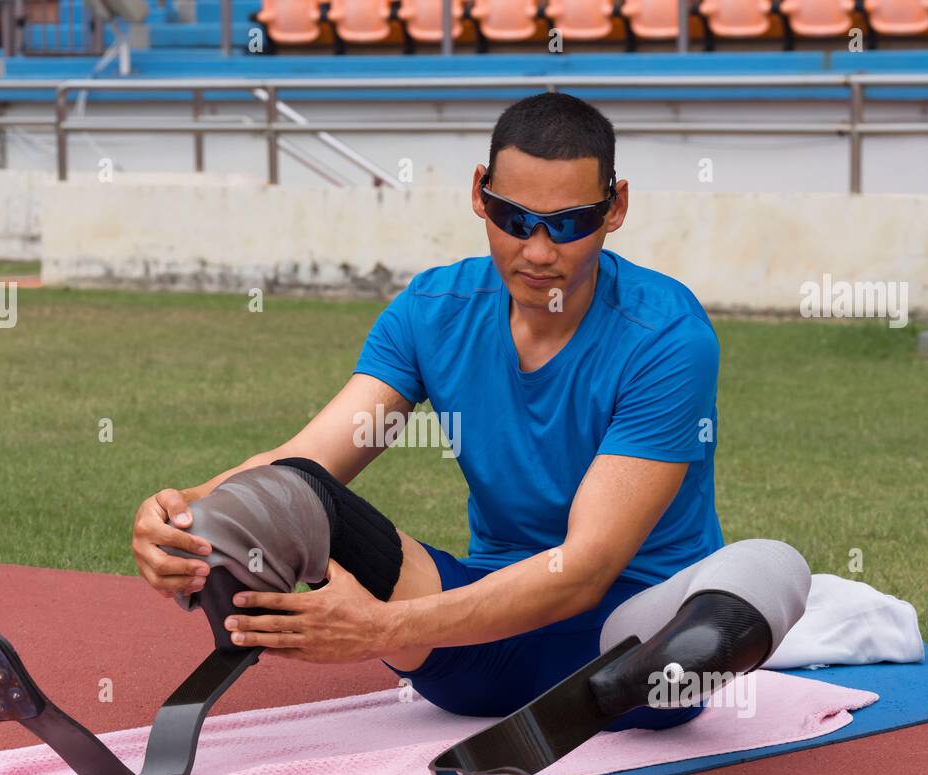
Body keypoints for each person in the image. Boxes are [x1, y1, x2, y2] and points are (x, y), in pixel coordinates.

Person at [130, 92, 810, 732]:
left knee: (774, 566)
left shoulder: (666, 336)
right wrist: (185, 515)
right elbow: (303, 462)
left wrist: (381, 630)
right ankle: (229, 635)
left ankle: (659, 669)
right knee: (282, 496)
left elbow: (584, 571)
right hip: (474, 652)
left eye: (569, 225)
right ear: (479, 194)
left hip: (630, 649)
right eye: (515, 220)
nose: (539, 251)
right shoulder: (432, 310)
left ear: (616, 208)